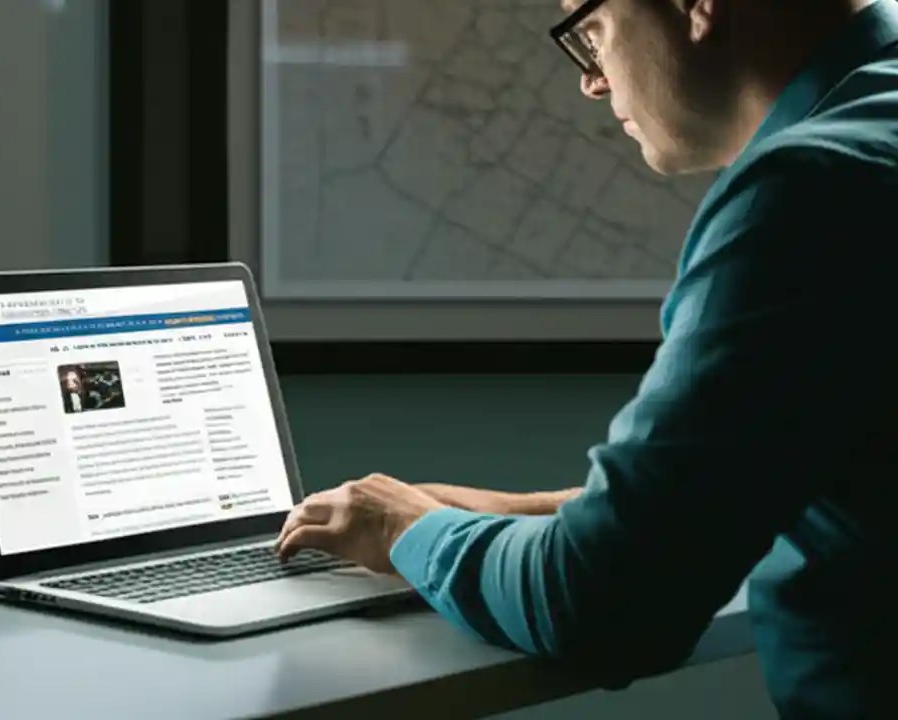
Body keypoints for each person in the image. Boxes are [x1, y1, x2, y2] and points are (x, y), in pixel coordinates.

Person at [275, 0, 896, 716]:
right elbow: (754, 482)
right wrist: (504, 512)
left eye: (591, 30)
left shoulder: (808, 195)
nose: (592, 81)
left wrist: (404, 529)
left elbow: (605, 604)